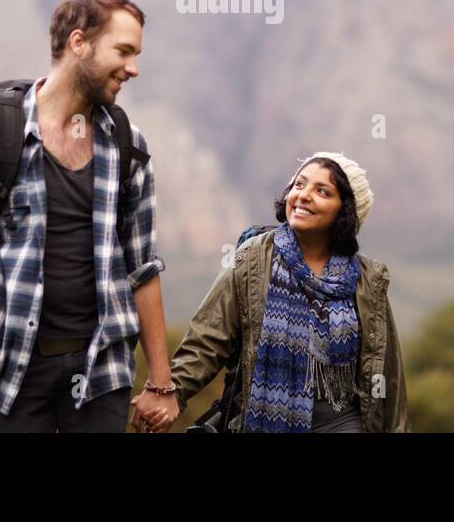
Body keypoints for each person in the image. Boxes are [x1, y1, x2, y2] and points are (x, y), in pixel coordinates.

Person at [0, 0, 180, 432]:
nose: (134, 68)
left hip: (102, 372)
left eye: (137, 54)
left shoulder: (128, 145)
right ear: (78, 42)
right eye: (123, 51)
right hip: (11, 369)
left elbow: (141, 267)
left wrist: (161, 381)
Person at [160, 152, 410, 432]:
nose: (303, 196)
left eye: (322, 191)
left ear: (346, 210)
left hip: (344, 424)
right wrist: (170, 392)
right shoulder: (252, 259)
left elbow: (389, 376)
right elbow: (207, 339)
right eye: (299, 185)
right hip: (263, 420)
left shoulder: (368, 281)